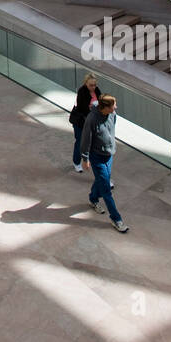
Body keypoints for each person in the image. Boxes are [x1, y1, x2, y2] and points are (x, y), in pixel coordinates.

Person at [81, 94, 129, 233]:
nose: (116, 107)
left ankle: (93, 198)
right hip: (97, 157)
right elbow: (86, 139)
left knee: (103, 180)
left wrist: (111, 146)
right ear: (106, 107)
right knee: (106, 189)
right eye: (114, 105)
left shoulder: (112, 114)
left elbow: (111, 130)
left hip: (109, 154)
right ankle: (116, 219)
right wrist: (85, 158)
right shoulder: (92, 119)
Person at [69, 72, 101, 172]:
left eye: (95, 85)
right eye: (91, 85)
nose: (93, 87)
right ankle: (76, 162)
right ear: (86, 83)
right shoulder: (82, 91)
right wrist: (91, 107)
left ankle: (88, 161)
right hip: (81, 122)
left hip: (92, 121)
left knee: (92, 143)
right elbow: (81, 108)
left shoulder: (97, 91)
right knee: (80, 142)